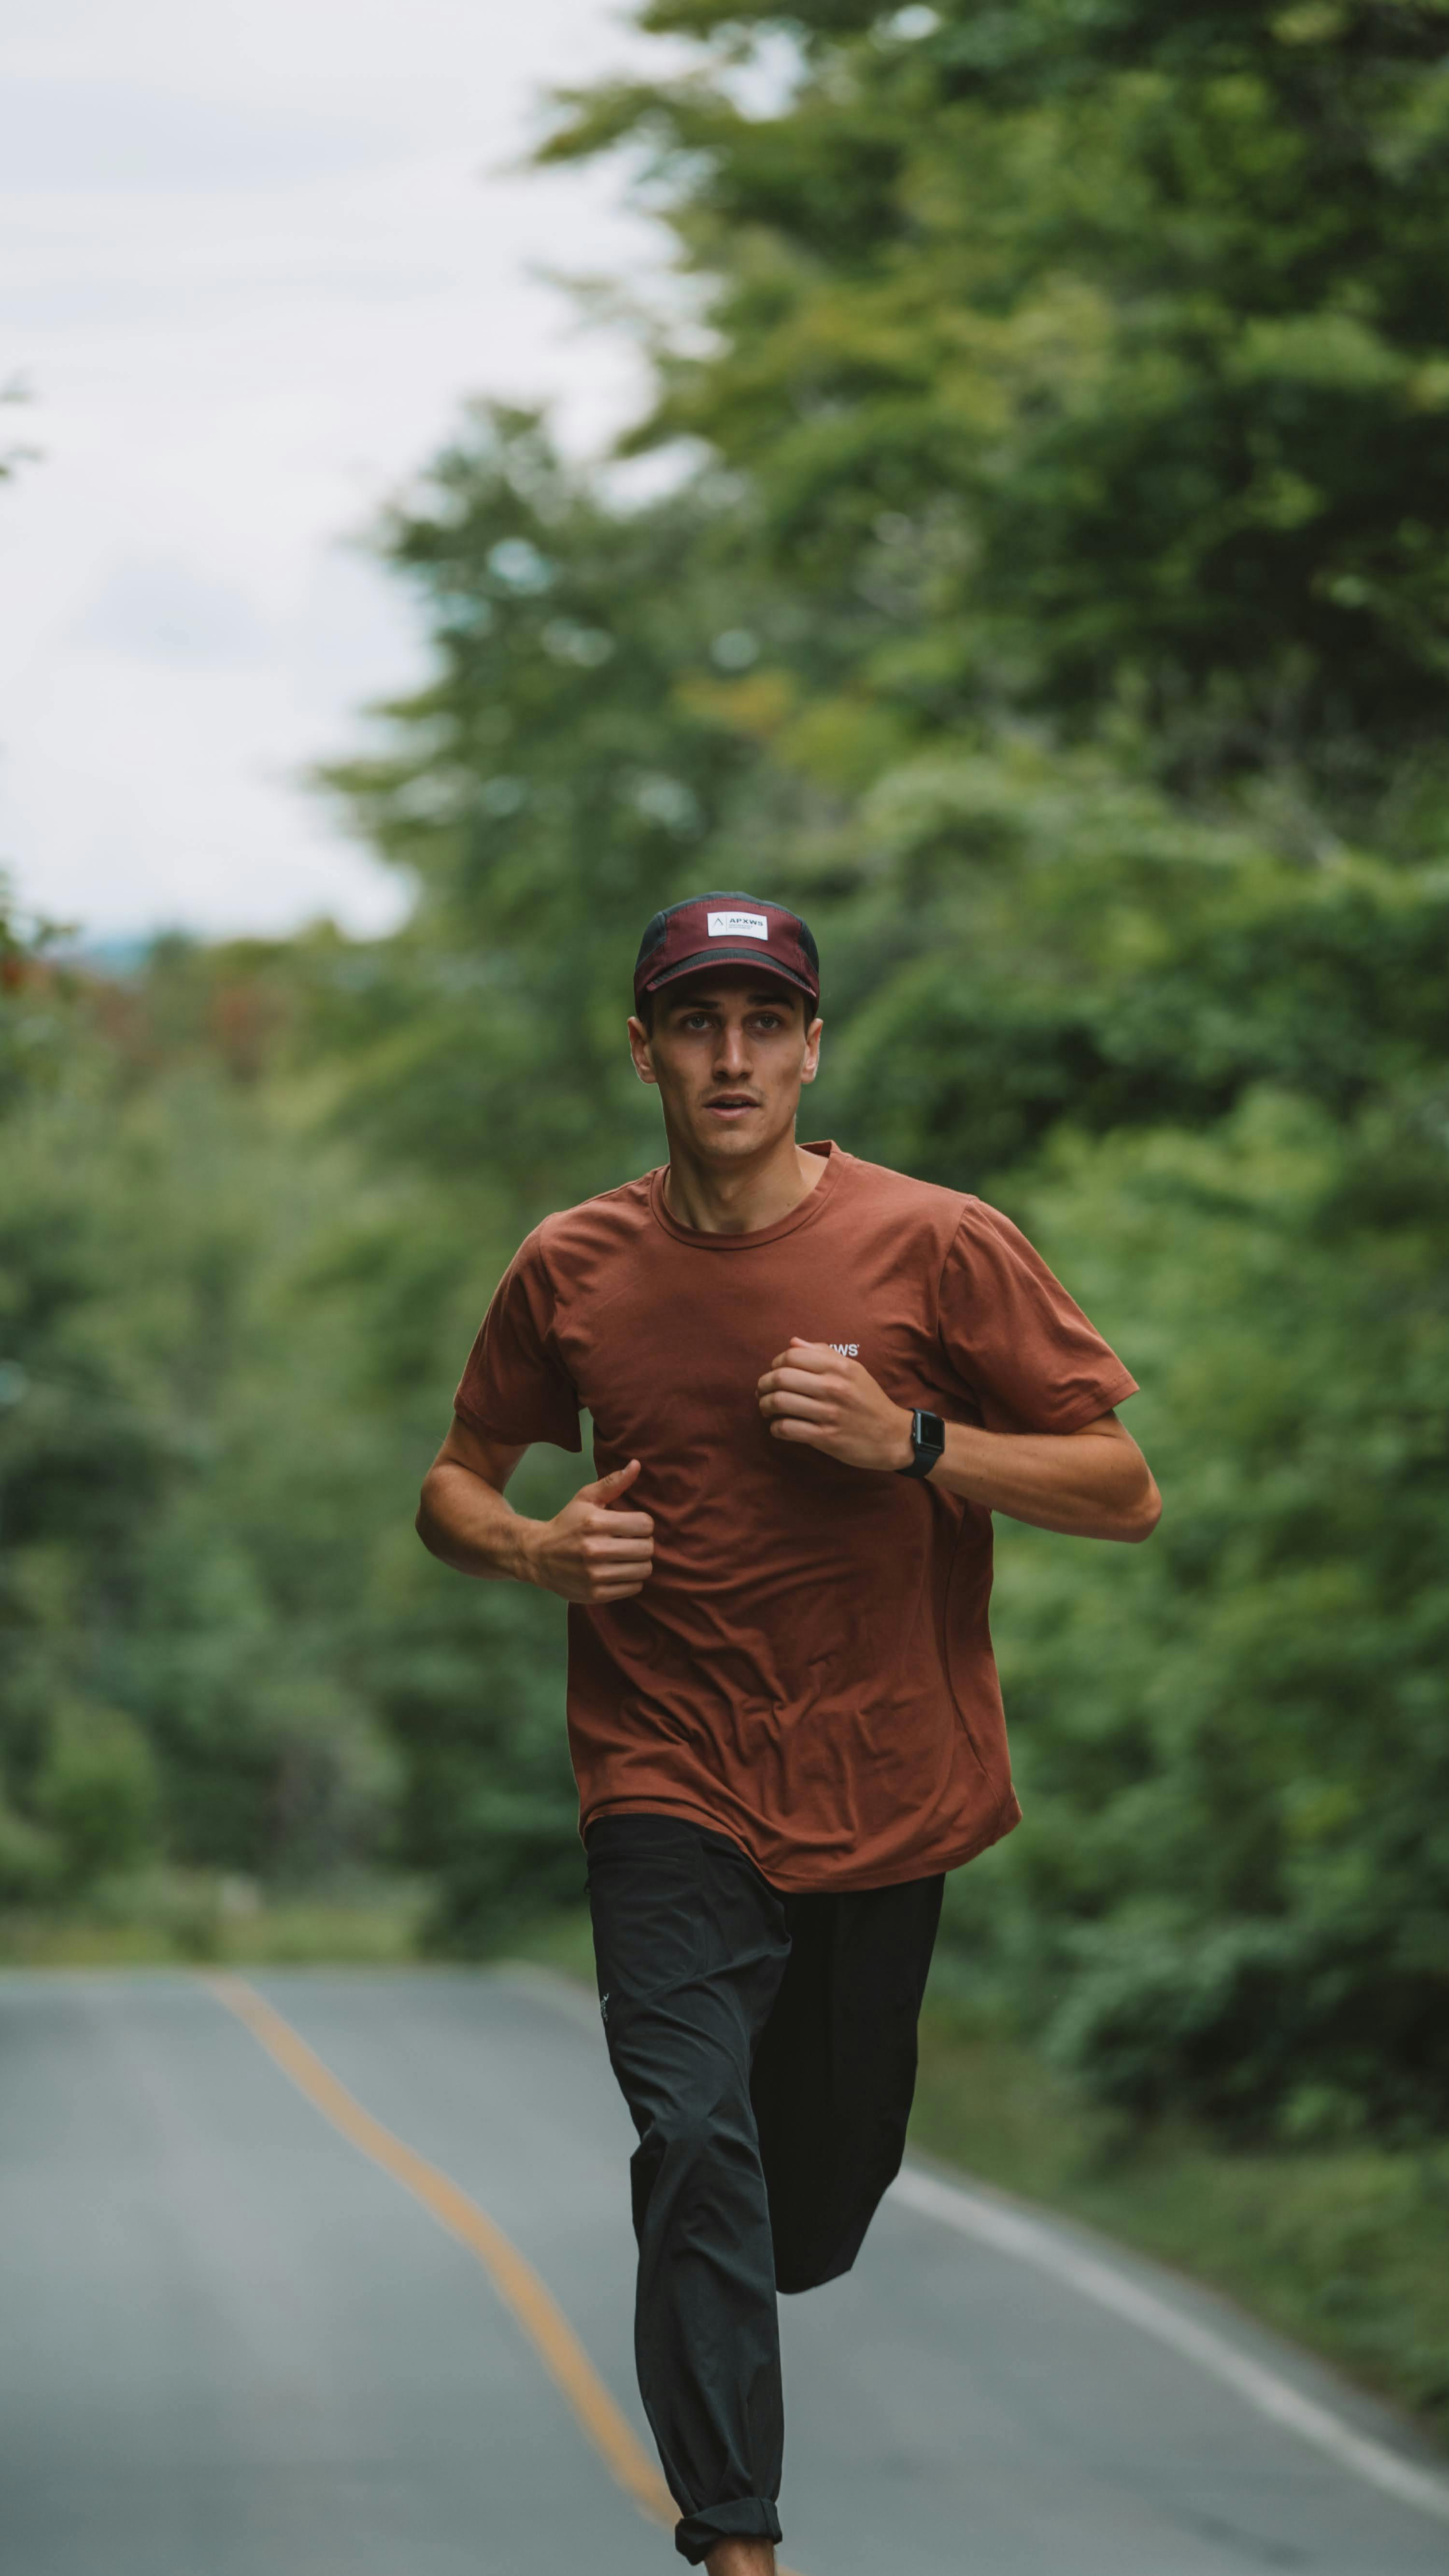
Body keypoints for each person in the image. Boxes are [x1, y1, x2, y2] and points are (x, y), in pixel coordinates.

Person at [416, 891, 1160, 2572]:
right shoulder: (572, 1264)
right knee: (691, 2135)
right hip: (662, 1776)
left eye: (765, 1022)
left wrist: (913, 1441)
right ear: (645, 1048)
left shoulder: (940, 1243)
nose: (731, 1054)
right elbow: (455, 1483)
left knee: (805, 2211)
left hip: (885, 1792)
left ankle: (766, 2261)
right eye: (697, 1021)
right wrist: (537, 1548)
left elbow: (1122, 1487)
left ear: (813, 1048)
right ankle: (736, 2538)